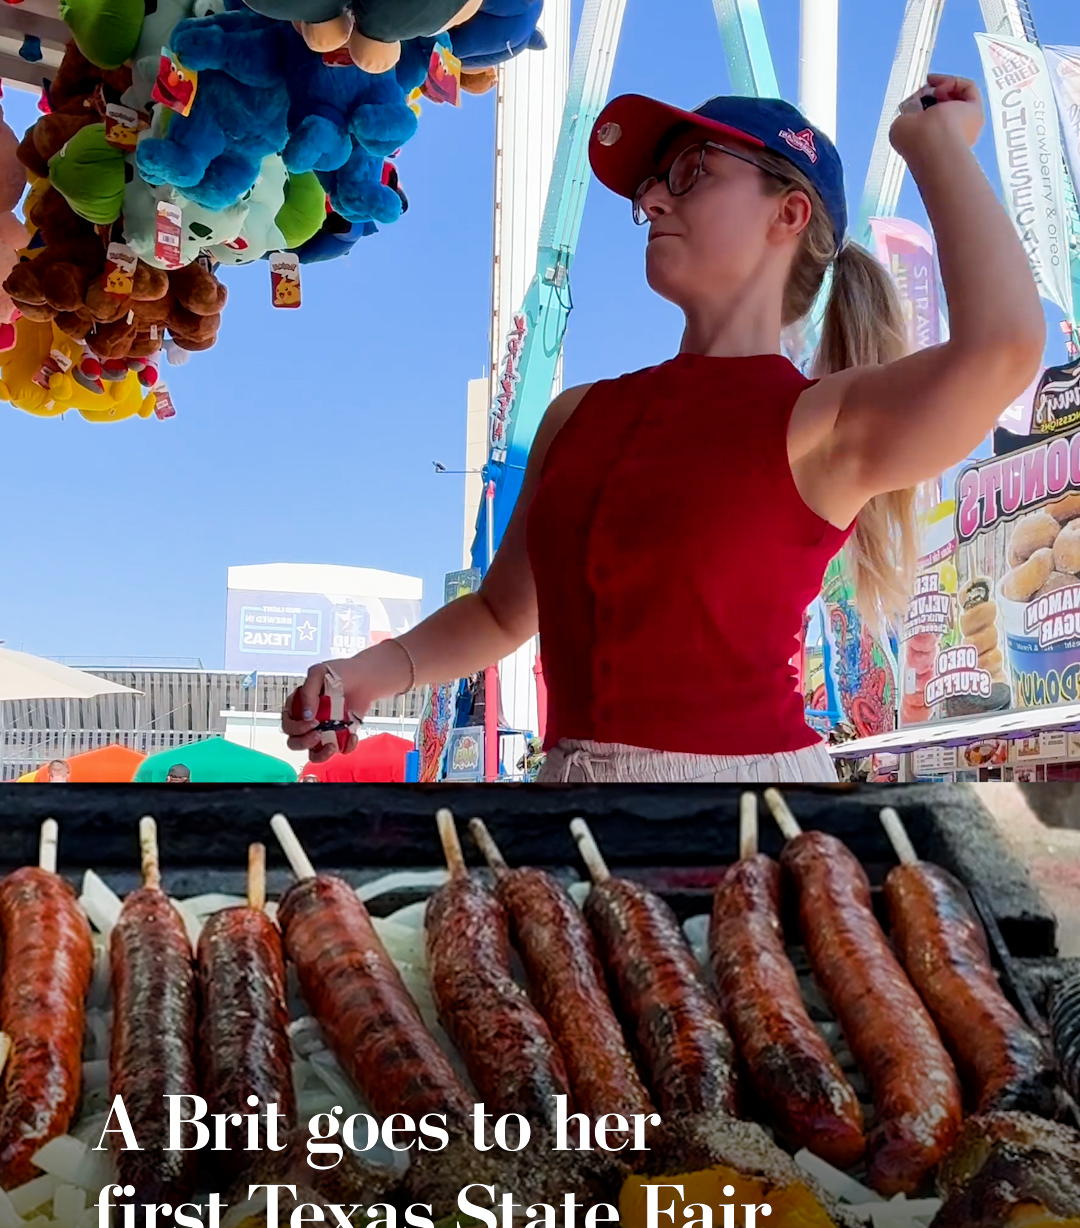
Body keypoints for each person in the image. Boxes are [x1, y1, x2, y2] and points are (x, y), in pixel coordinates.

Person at [283, 77, 1044, 782]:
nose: (650, 200)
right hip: (567, 794)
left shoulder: (826, 421)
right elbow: (499, 613)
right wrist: (362, 675)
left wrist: (934, 143)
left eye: (692, 172)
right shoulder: (575, 414)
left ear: (789, 213)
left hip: (743, 811)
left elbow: (1004, 346)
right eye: (651, 184)